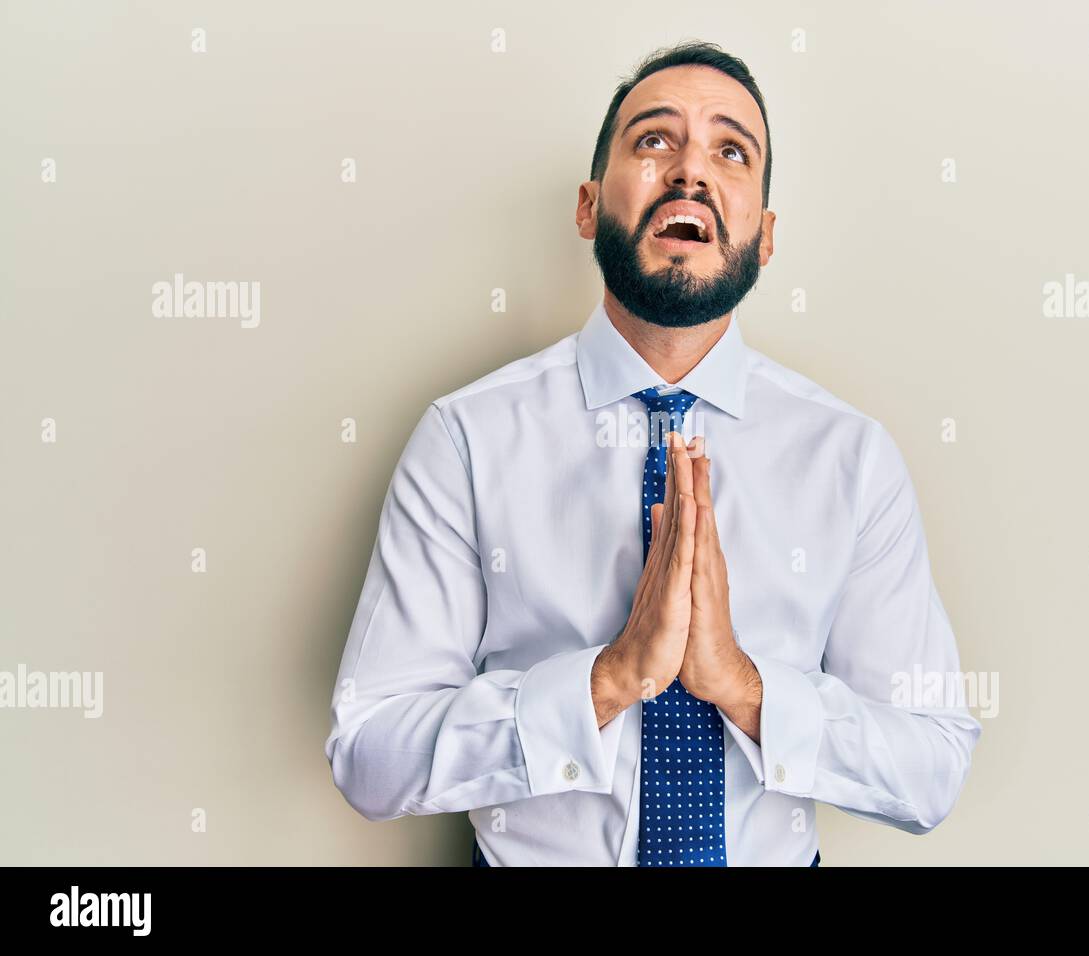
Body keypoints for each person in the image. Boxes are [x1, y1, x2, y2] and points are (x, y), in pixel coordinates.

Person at [325, 40, 981, 867]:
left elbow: (932, 770)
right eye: (655, 140)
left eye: (730, 151)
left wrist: (745, 688)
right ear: (588, 207)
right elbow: (370, 752)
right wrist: (608, 678)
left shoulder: (851, 459)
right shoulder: (466, 439)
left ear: (766, 235)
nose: (691, 173)